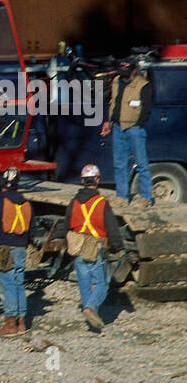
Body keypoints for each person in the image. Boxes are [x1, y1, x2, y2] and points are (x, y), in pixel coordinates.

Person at [56, 163, 123, 332]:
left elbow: (66, 226)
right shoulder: (102, 203)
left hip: (77, 246)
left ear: (82, 180)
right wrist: (118, 246)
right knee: (102, 283)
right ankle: (91, 308)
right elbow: (111, 227)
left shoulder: (74, 202)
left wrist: (64, 242)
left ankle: (90, 320)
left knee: (84, 283)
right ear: (98, 180)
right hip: (96, 247)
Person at [0, 168, 34, 337]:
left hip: (4, 250)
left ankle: (10, 324)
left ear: (2, 183)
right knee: (18, 283)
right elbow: (32, 231)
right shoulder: (27, 204)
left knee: (7, 284)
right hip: (20, 249)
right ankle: (22, 323)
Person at [102, 59, 153, 205]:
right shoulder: (117, 81)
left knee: (141, 164)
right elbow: (113, 102)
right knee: (119, 164)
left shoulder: (143, 85)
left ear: (133, 70)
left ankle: (146, 197)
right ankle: (122, 196)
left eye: (126, 70)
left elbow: (146, 109)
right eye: (121, 69)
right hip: (117, 127)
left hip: (134, 129)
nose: (123, 73)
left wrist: (138, 125)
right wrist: (108, 121)